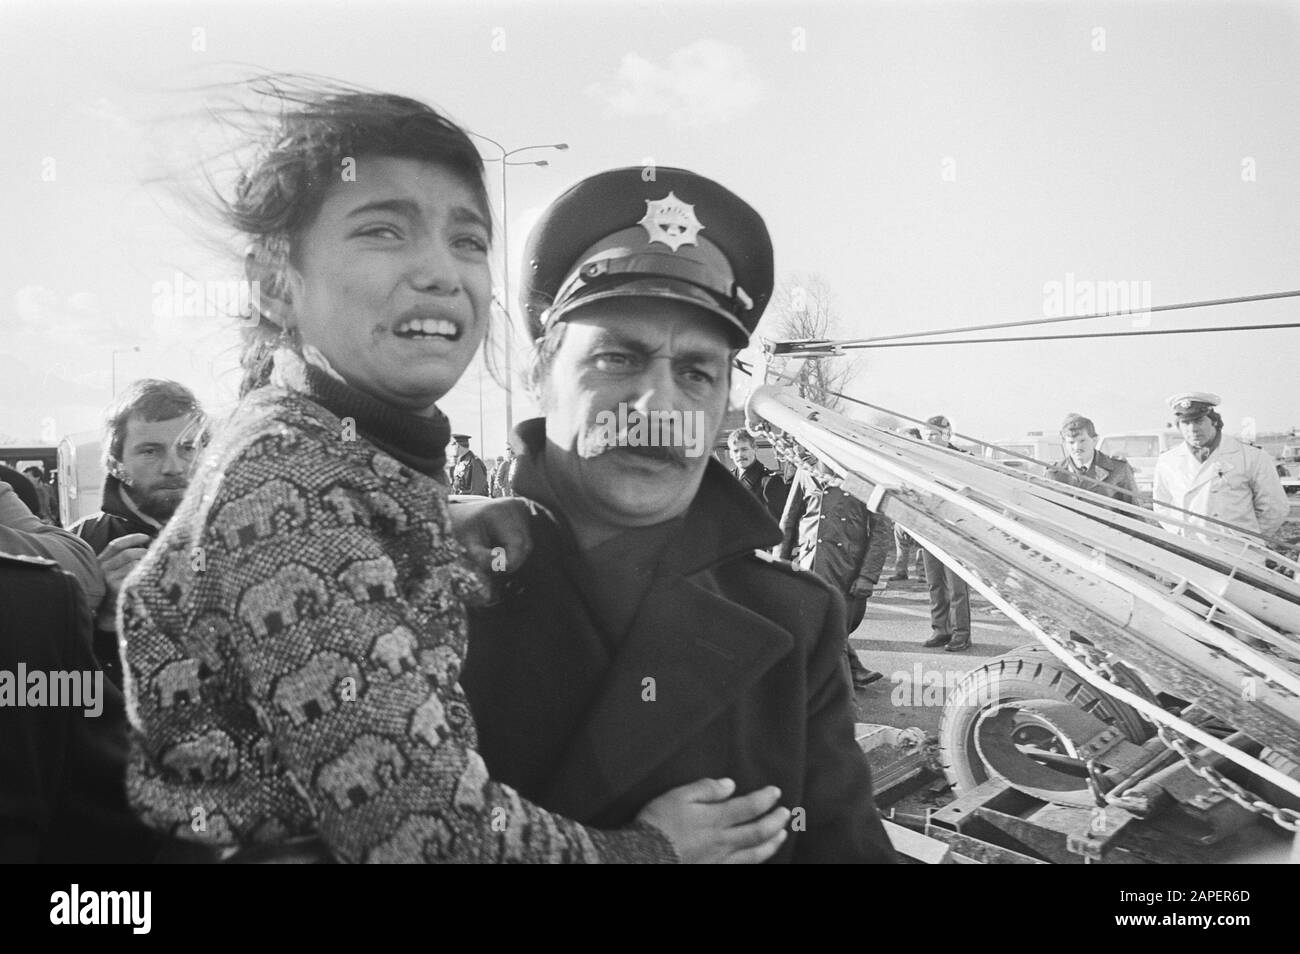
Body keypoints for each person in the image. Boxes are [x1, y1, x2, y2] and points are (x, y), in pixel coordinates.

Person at [118, 82, 787, 865]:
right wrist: (651, 852)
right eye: (383, 231)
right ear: (273, 282)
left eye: (467, 241)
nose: (441, 271)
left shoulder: (351, 462)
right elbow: (422, 834)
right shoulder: (285, 481)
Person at [462, 166, 895, 863]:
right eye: (616, 358)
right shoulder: (422, 586)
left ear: (725, 403)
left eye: (696, 372)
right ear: (538, 373)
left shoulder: (793, 623)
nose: (658, 407)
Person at [69, 379, 206, 688]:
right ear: (115, 463)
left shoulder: (233, 534)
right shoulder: (78, 545)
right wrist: (103, 616)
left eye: (187, 448)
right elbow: (58, 688)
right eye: (150, 451)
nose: (174, 467)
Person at [1153, 391, 1288, 548]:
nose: (1193, 429)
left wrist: (1250, 539)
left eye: (1199, 421)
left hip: (1238, 553)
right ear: (1178, 426)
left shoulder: (1250, 456)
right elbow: (1161, 504)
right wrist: (1180, 532)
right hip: (1189, 551)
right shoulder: (1167, 460)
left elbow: (1274, 507)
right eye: (1186, 423)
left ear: (1214, 421)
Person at [921, 414, 971, 652]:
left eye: (935, 434)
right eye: (928, 433)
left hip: (953, 526)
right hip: (929, 525)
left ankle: (961, 634)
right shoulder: (918, 458)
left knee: (956, 585)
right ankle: (940, 629)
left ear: (947, 434)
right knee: (934, 582)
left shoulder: (960, 459)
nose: (931, 438)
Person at [1046, 412, 1145, 512]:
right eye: (1071, 442)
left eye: (1082, 441)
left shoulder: (1118, 470)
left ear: (1094, 440)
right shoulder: (1053, 474)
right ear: (1064, 443)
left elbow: (1135, 513)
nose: (1077, 447)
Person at [727, 428, 788, 523]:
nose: (740, 455)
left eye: (744, 449)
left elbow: (775, 523)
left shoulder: (769, 481)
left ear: (755, 449)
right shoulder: (728, 479)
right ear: (731, 454)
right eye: (735, 451)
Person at [888, 427, 924, 580]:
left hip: (919, 505)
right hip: (904, 504)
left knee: (923, 542)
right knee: (900, 537)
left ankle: (923, 572)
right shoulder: (899, 458)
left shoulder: (922, 458)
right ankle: (900, 571)